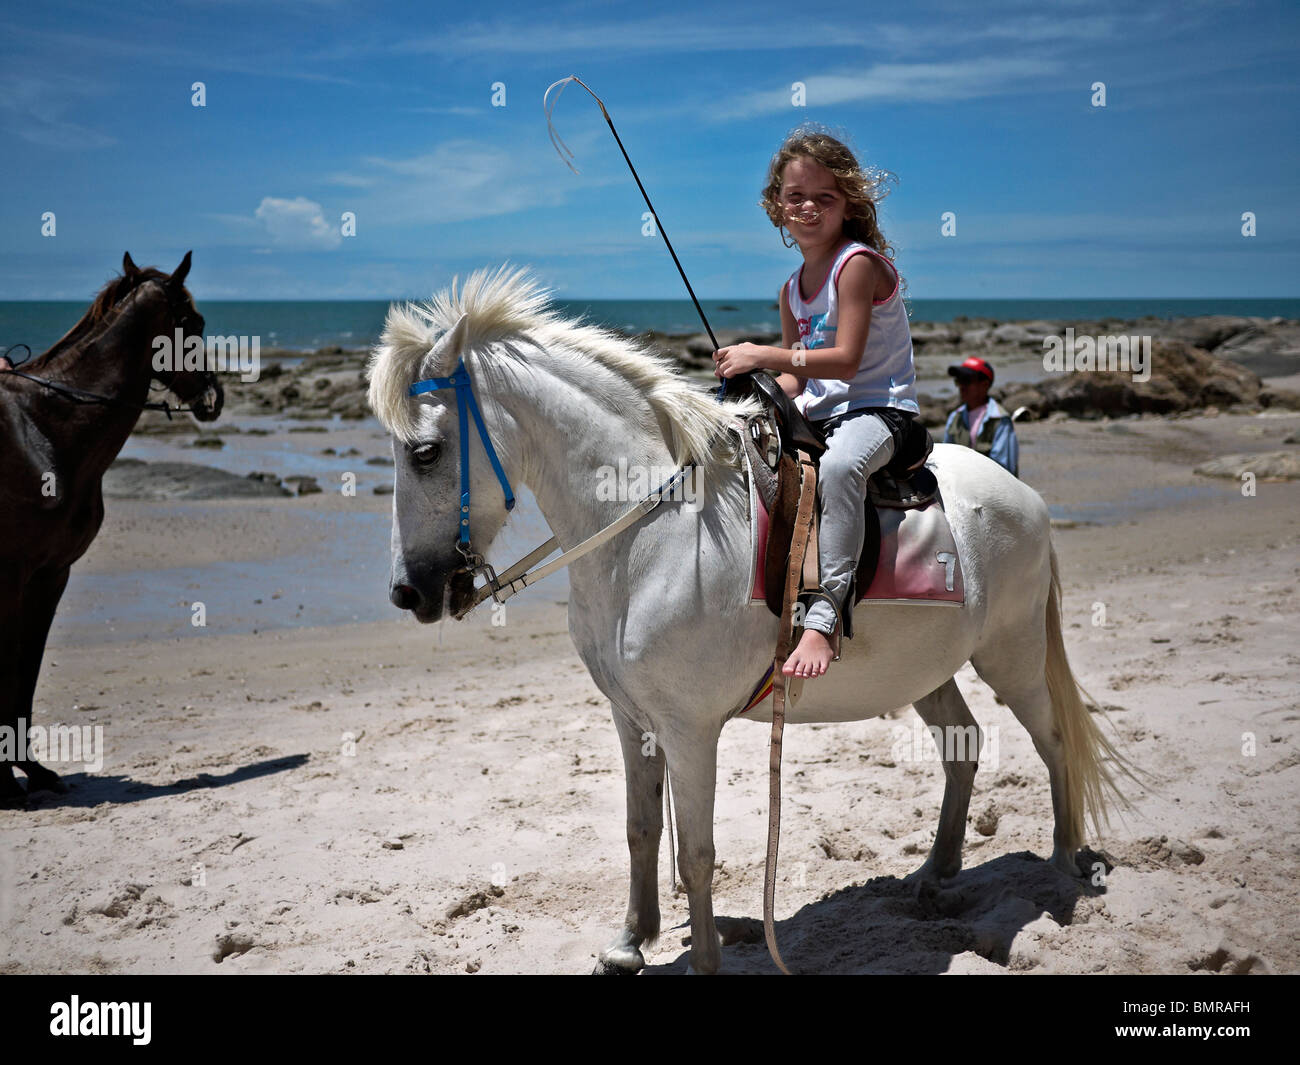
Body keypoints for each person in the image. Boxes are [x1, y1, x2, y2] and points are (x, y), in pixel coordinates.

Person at [713, 124, 918, 679]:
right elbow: (799, 383)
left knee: (841, 468)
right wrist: (739, 405)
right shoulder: (791, 287)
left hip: (880, 411)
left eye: (824, 197)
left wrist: (762, 353)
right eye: (795, 196)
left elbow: (846, 361)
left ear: (848, 203)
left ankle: (825, 614)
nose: (808, 208)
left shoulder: (857, 265)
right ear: (776, 206)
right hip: (820, 413)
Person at [943, 356, 1018, 476]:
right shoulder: (954, 417)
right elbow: (946, 459)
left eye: (966, 381)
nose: (961, 387)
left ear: (985, 385)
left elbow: (1004, 470)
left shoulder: (1000, 419)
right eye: (959, 381)